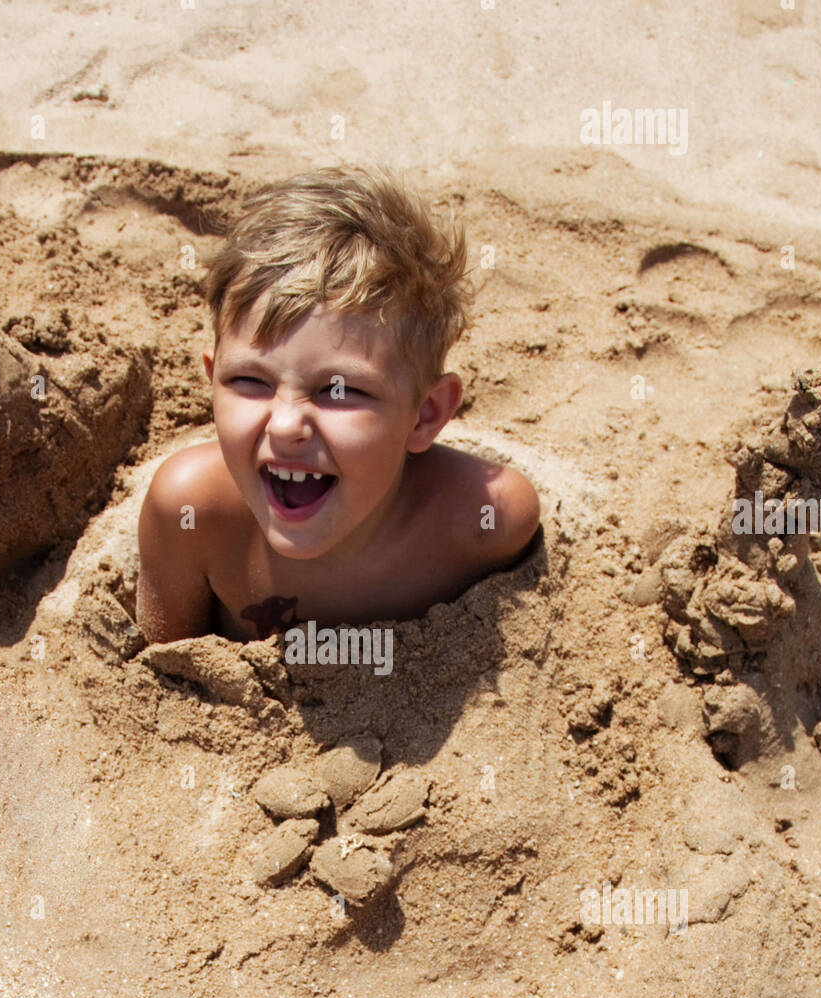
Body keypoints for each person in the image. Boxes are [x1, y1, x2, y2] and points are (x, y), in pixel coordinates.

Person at [136, 166, 540, 644]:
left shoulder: (484, 523)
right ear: (212, 380)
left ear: (426, 414)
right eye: (249, 381)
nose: (286, 426)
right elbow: (160, 680)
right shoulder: (190, 514)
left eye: (341, 391)